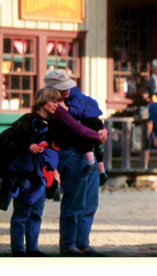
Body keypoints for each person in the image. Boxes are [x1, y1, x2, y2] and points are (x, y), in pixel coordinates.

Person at [43, 70, 109, 256]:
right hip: (71, 154)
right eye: (62, 89)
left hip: (88, 154)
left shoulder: (76, 99)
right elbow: (77, 128)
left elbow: (92, 120)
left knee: (90, 202)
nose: (67, 91)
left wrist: (103, 129)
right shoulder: (53, 106)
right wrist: (99, 135)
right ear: (50, 89)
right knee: (74, 202)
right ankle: (68, 245)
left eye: (67, 87)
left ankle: (83, 243)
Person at [3, 87, 62, 257]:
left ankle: (33, 248)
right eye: (53, 101)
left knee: (36, 213)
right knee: (21, 213)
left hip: (42, 175)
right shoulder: (27, 120)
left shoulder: (50, 124)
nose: (56, 105)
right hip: (26, 174)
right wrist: (28, 146)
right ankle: (18, 249)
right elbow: (10, 139)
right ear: (43, 101)